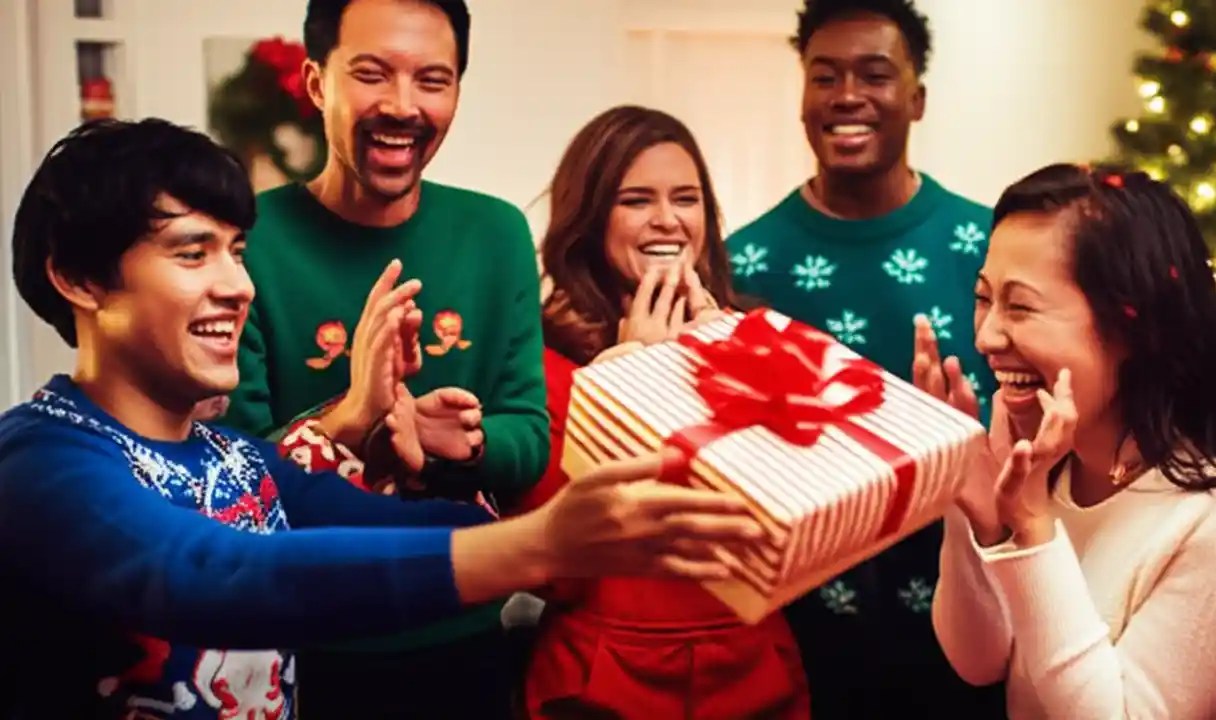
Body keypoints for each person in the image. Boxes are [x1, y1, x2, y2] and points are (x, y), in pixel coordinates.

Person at [0, 117, 766, 719]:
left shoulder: (234, 458)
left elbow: (398, 532)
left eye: (238, 251)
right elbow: (211, 572)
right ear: (78, 278)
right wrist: (540, 544)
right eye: (193, 253)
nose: (238, 285)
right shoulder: (42, 463)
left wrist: (588, 535)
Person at [220, 0, 550, 714]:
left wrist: (461, 441)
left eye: (433, 80)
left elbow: (528, 433)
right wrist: (351, 415)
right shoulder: (249, 240)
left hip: (466, 627)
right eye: (372, 75)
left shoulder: (496, 233)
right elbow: (232, 470)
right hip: (307, 642)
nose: (403, 106)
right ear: (316, 83)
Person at [920, 163, 1216, 718]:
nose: (986, 336)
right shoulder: (1045, 461)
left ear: (1133, 326)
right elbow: (979, 660)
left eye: (1020, 306)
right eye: (983, 298)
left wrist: (1034, 527)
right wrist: (973, 513)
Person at [725, 0, 1001, 714]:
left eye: (874, 75)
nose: (848, 96)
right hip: (798, 649)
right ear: (803, 98)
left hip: (974, 632)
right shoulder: (742, 267)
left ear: (917, 98)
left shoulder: (990, 248)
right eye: (825, 77)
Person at [515, 105, 810, 719]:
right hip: (604, 679)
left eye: (686, 198)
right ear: (591, 217)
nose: (668, 220)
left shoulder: (758, 338)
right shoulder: (542, 363)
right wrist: (635, 381)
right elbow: (553, 566)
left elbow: (800, 525)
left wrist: (724, 362)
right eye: (635, 200)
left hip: (754, 671)